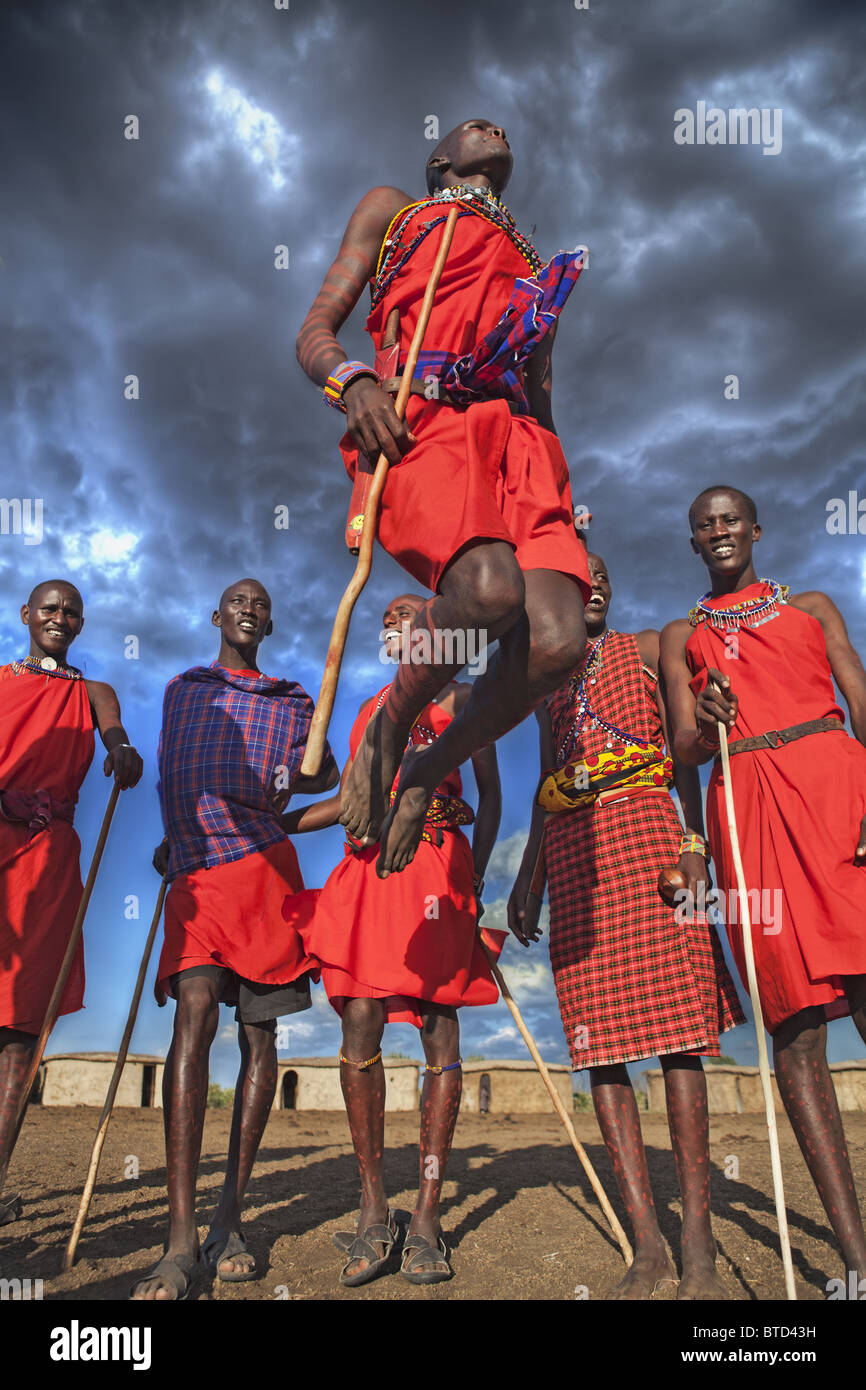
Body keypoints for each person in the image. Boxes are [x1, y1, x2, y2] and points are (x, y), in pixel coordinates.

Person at [297, 118, 590, 877]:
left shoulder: (534, 269)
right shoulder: (396, 211)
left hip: (521, 444)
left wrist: (563, 494)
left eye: (497, 125)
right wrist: (353, 382)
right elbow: (314, 332)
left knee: (559, 640)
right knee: (488, 593)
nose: (490, 126)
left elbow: (539, 392)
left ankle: (426, 771)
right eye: (470, 126)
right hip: (417, 415)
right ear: (440, 160)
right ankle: (389, 724)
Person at [508, 547, 744, 1299]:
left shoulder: (655, 645)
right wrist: (527, 878)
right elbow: (548, 790)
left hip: (652, 843)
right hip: (576, 859)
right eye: (580, 580)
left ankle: (698, 1243)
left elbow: (685, 755)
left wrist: (696, 845)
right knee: (599, 1047)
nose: (596, 585)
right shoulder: (544, 681)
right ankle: (647, 1242)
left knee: (680, 1041)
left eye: (604, 576)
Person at [661, 485, 866, 1291]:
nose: (719, 530)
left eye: (729, 519)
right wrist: (707, 718)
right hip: (745, 809)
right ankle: (856, 1262)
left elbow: (858, 695)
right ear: (694, 542)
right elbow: (685, 748)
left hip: (833, 788)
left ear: (754, 529)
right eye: (704, 524)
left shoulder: (812, 606)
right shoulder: (686, 634)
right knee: (797, 1028)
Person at [282, 592, 503, 1286]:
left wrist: (479, 876)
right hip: (370, 865)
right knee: (360, 1015)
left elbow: (490, 794)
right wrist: (276, 822)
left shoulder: (466, 695)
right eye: (386, 619)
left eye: (408, 613)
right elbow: (350, 798)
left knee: (440, 1020)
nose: (393, 624)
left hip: (438, 859)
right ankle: (374, 1207)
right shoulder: (368, 712)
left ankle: (430, 1216)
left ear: (434, 628)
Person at [130, 579, 337, 1300]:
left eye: (260, 602)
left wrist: (289, 778)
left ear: (270, 622)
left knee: (261, 1040)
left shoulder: (292, 702)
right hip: (197, 875)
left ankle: (229, 1218)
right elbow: (179, 778)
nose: (249, 608)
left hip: (267, 878)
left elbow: (328, 772)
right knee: (194, 1012)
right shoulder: (185, 690)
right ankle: (179, 1239)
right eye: (236, 600)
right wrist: (177, 836)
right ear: (218, 616)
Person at [0, 580, 143, 1223]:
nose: (60, 618)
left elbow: (114, 735)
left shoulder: (93, 693)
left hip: (50, 863)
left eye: (72, 612)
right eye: (49, 609)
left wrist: (123, 753)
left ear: (82, 625)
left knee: (22, 1027)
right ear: (27, 615)